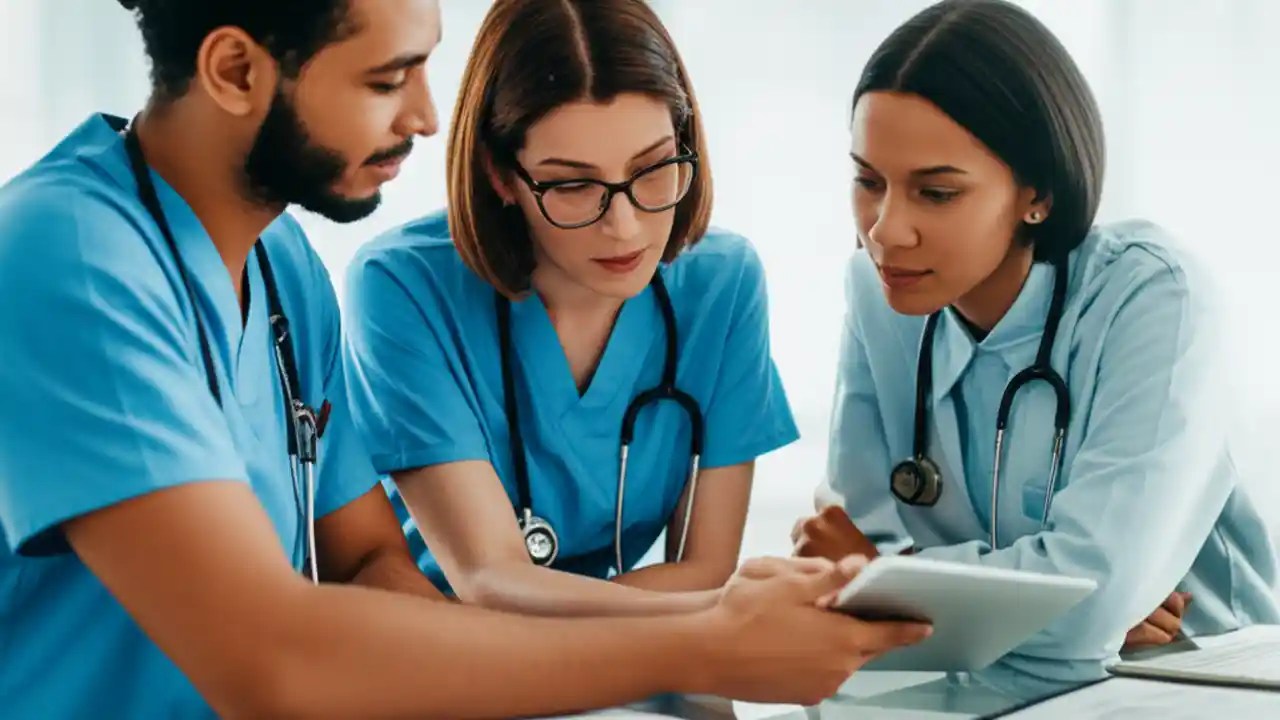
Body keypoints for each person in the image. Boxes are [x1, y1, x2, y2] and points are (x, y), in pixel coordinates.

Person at [0, 0, 931, 717]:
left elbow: (369, 562)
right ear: (237, 69)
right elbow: (267, 658)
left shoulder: (283, 267)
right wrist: (701, 643)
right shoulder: (67, 257)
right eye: (387, 77)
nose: (428, 114)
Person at [790, 0, 1280, 681]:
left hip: (1194, 677)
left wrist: (904, 585)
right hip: (981, 683)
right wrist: (1045, 607)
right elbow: (849, 568)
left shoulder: (1156, 297)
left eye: (935, 193)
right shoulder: (879, 292)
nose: (884, 231)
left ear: (1037, 194)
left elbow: (1087, 608)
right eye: (868, 182)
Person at [342, 0, 797, 616]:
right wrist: (738, 616)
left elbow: (704, 567)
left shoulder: (724, 284)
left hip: (626, 664)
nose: (627, 226)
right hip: (442, 657)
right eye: (573, 184)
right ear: (502, 176)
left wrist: (717, 611)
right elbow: (489, 579)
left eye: (655, 168)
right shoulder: (402, 284)